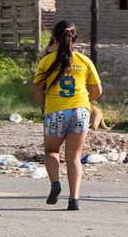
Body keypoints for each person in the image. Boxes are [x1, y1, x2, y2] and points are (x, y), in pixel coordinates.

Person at [32, 20, 101, 211]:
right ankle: (74, 200)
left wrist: (45, 104)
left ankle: (55, 184)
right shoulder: (84, 60)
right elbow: (97, 90)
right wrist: (86, 102)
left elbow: (37, 89)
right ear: (75, 39)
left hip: (55, 111)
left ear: (54, 38)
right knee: (74, 158)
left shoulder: (46, 60)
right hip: (80, 112)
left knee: (51, 152)